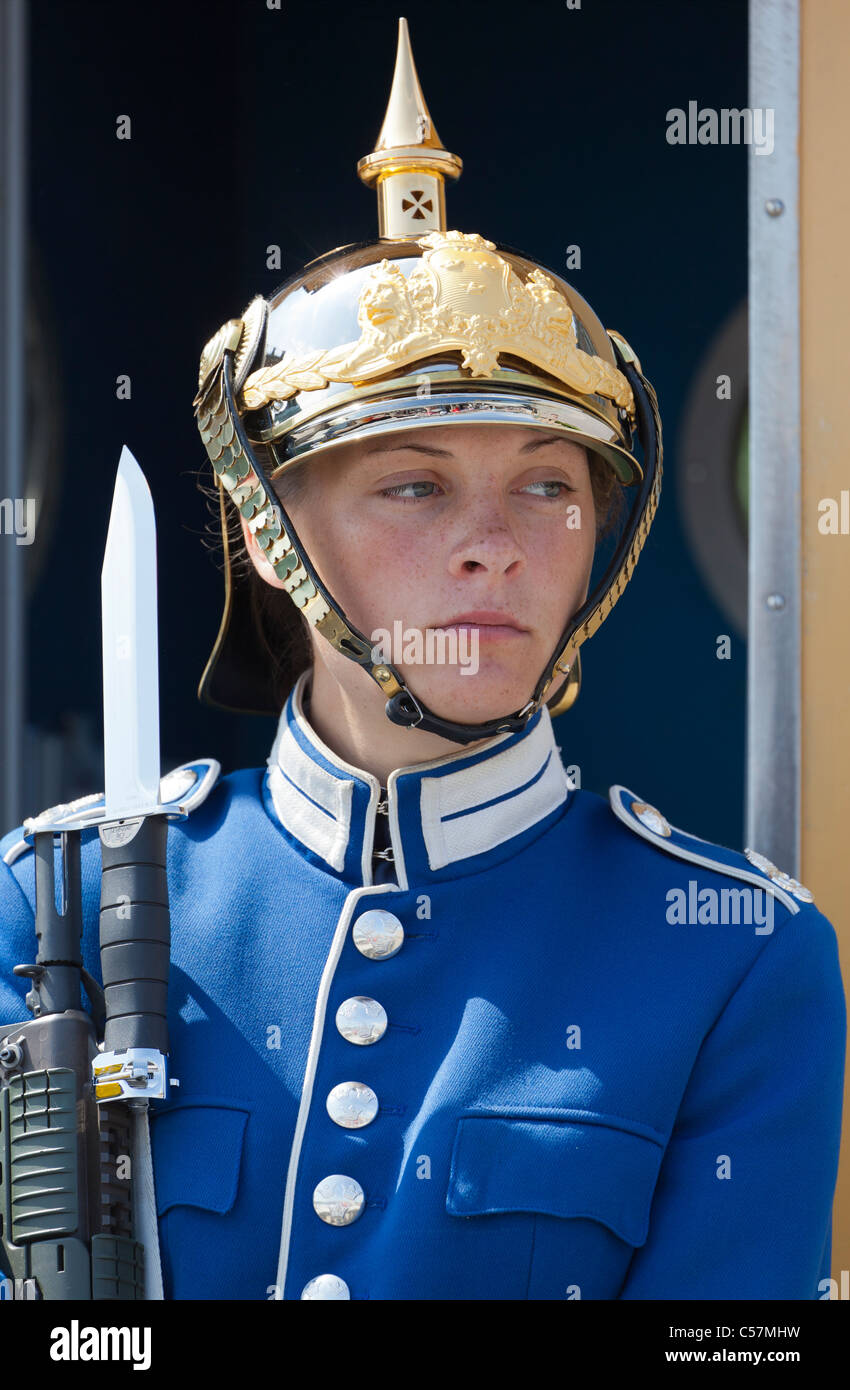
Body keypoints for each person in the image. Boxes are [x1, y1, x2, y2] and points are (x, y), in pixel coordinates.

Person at [0, 19, 844, 1302]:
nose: (493, 550)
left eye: (549, 487)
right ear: (267, 534)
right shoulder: (52, 897)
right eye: (412, 485)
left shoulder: (735, 958)